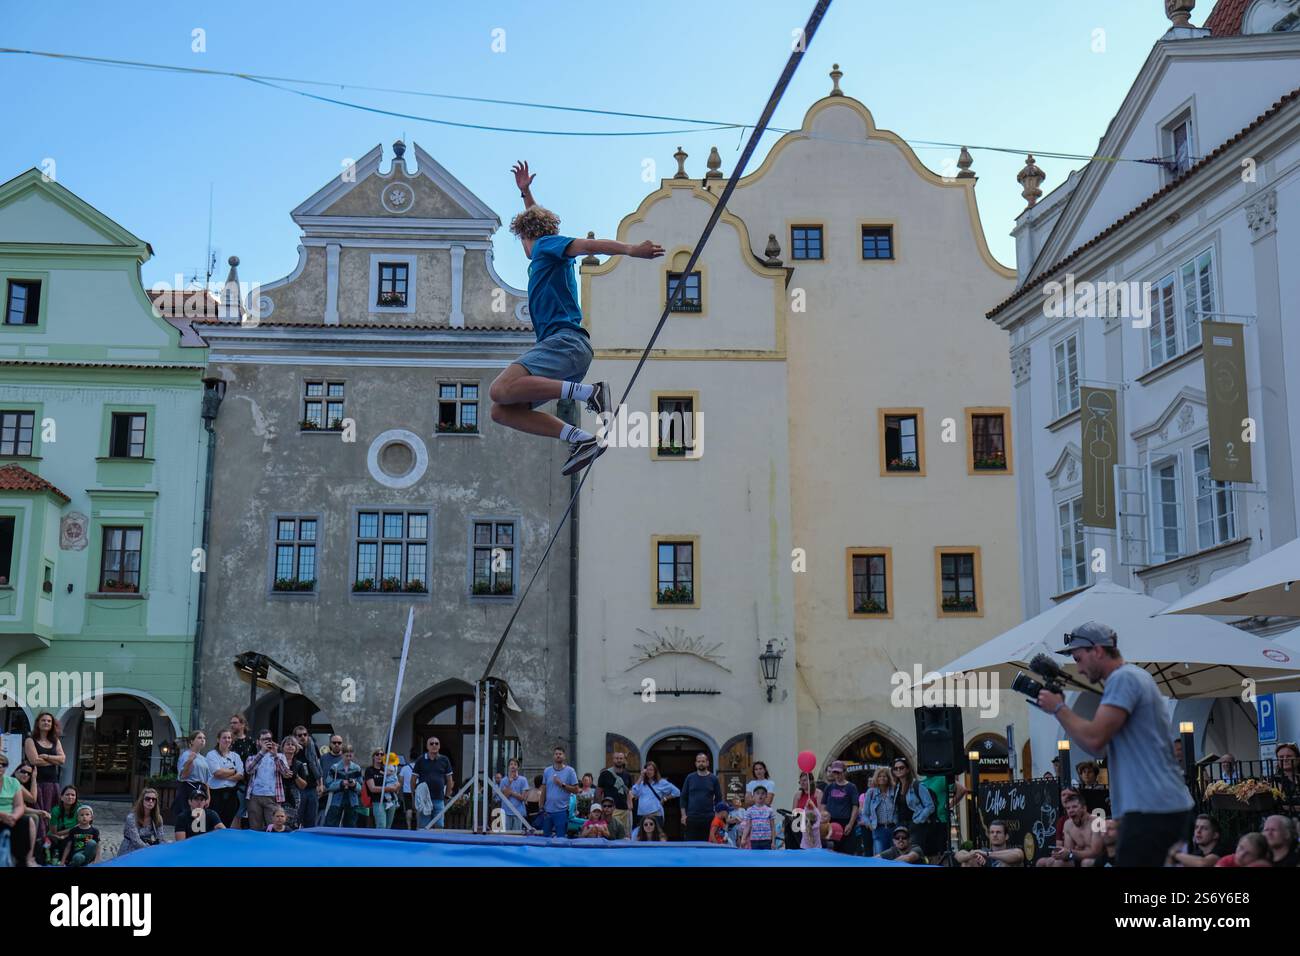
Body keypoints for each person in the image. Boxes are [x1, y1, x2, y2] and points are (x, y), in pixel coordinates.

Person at [491, 160, 664, 476]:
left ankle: (591, 393)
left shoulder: (545, 246)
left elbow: (588, 245)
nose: (523, 248)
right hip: (567, 352)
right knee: (502, 411)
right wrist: (526, 193)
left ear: (527, 238)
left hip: (565, 343)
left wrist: (631, 250)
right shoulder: (545, 250)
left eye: (522, 240)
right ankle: (582, 439)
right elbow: (536, 223)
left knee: (500, 390)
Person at [1037, 621, 1193, 867]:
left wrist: (1058, 708)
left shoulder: (1124, 679)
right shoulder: (1131, 678)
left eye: (1078, 659)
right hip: (1152, 807)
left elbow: (1095, 741)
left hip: (1152, 809)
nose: (1078, 669)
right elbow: (1101, 744)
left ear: (1097, 650)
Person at [24, 711, 64, 850]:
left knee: (53, 816)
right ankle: (37, 848)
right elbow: (34, 760)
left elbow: (63, 759)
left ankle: (51, 847)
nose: (46, 723)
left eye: (49, 721)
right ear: (38, 723)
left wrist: (46, 756)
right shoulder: (30, 740)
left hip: (53, 784)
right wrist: (54, 760)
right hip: (37, 784)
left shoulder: (55, 741)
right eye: (43, 720)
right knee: (39, 815)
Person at [1036, 790, 1102, 867]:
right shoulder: (1068, 824)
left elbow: (1096, 853)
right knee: (1042, 862)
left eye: (1074, 807)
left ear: (1084, 808)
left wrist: (1071, 853)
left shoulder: (1097, 822)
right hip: (1077, 858)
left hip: (1097, 859)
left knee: (1086, 863)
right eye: (1068, 808)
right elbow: (1068, 852)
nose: (1070, 811)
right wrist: (1060, 854)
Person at [244, 729, 290, 831]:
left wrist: (275, 755)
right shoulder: (252, 757)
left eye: (269, 739)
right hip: (255, 797)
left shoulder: (280, 756)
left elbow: (286, 773)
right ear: (258, 742)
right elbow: (249, 770)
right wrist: (262, 753)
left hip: (272, 796)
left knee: (273, 828)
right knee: (255, 828)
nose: (266, 741)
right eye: (263, 739)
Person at [0, 752, 36, 866]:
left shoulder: (13, 782)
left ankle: (26, 859)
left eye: (3, 764)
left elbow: (19, 806)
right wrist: (2, 816)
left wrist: (14, 817)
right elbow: (32, 799)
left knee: (28, 821)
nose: (0, 766)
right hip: (2, 816)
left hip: (10, 817)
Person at [411, 736, 455, 829]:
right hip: (424, 799)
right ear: (427, 746)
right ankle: (424, 843)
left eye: (436, 743)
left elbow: (449, 779)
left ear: (439, 746)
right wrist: (415, 795)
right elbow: (413, 779)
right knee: (425, 826)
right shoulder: (420, 760)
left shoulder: (445, 760)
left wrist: (447, 795)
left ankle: (437, 844)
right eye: (431, 743)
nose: (434, 745)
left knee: (440, 825)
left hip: (439, 798)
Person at [680, 752, 723, 842]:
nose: (701, 763)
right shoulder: (690, 778)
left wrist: (717, 816)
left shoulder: (713, 779)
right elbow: (683, 797)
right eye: (699, 761)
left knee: (708, 845)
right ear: (696, 763)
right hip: (691, 817)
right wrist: (683, 815)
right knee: (691, 845)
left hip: (709, 818)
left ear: (707, 763)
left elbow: (719, 799)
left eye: (703, 761)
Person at [206, 729, 244, 828]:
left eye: (229, 737)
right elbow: (217, 773)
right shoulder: (212, 755)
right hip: (216, 794)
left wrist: (226, 774)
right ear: (218, 739)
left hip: (232, 794)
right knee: (214, 824)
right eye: (224, 737)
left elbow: (241, 775)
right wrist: (233, 771)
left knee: (226, 824)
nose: (227, 740)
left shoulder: (235, 756)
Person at [821, 760, 861, 855]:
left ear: (844, 772)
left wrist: (850, 824)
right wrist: (824, 822)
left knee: (847, 852)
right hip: (831, 823)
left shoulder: (851, 787)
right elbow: (823, 805)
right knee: (831, 852)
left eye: (839, 772)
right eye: (835, 772)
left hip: (846, 823)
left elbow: (855, 807)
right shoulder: (829, 787)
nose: (837, 775)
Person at [173, 730, 211, 828]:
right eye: (199, 738)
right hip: (188, 789)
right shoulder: (186, 755)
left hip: (201, 791)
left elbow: (206, 781)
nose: (202, 740)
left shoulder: (203, 758)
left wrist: (208, 797)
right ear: (191, 741)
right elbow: (183, 776)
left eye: (204, 738)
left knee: (199, 823)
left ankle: (196, 842)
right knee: (187, 820)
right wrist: (190, 761)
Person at [541, 746, 580, 838]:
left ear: (564, 756)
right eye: (556, 754)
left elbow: (576, 790)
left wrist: (561, 784)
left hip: (561, 811)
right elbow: (544, 789)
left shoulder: (570, 771)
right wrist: (541, 806)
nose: (558, 756)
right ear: (553, 756)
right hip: (548, 811)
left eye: (560, 754)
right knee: (545, 837)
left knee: (561, 838)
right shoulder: (547, 771)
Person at [323, 744, 364, 828]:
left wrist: (354, 784)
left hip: (352, 800)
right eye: (346, 756)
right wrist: (341, 783)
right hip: (336, 800)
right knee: (331, 825)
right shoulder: (335, 768)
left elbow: (361, 787)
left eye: (350, 756)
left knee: (350, 826)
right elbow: (328, 785)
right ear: (342, 754)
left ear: (353, 755)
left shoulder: (357, 768)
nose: (348, 758)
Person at [630, 761, 678, 832]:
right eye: (647, 770)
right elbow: (633, 792)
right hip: (642, 816)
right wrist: (641, 777)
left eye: (651, 770)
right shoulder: (641, 784)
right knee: (642, 839)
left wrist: (665, 798)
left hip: (656, 815)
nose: (649, 772)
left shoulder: (661, 782)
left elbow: (677, 792)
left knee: (656, 838)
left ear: (655, 771)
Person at [954, 820, 1025, 867]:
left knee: (1006, 864)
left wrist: (987, 854)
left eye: (998, 832)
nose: (994, 835)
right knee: (967, 862)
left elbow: (1019, 855)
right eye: (992, 832)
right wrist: (972, 854)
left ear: (1006, 836)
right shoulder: (983, 852)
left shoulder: (1011, 851)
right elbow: (958, 855)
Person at [119, 787, 166, 857]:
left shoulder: (158, 818)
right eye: (147, 799)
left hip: (146, 850)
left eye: (153, 799)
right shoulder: (131, 818)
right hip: (129, 850)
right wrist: (149, 850)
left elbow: (161, 838)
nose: (150, 801)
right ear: (142, 800)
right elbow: (135, 841)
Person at [228, 714, 256, 829]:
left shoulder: (250, 742)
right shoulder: (229, 740)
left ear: (242, 724)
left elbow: (254, 761)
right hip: (229, 781)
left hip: (245, 783)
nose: (232, 725)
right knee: (232, 811)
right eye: (231, 723)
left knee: (241, 811)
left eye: (234, 723)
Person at [596, 752, 634, 837]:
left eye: (621, 758)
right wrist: (600, 807)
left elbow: (628, 792)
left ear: (624, 760)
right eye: (617, 758)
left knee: (624, 835)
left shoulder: (627, 775)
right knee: (611, 834)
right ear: (613, 759)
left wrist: (629, 805)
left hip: (624, 809)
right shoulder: (605, 774)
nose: (619, 760)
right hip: (610, 809)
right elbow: (599, 792)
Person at [861, 767, 896, 856]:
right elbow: (864, 814)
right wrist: (870, 825)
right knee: (879, 857)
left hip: (894, 828)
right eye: (879, 776)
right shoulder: (871, 792)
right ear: (876, 778)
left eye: (885, 776)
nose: (882, 778)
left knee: (895, 857)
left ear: (889, 778)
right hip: (878, 829)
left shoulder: (894, 791)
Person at [292, 725, 323, 828]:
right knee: (297, 818)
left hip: (312, 788)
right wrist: (296, 749)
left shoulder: (312, 747)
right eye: (299, 735)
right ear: (295, 737)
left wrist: (321, 784)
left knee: (311, 819)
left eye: (305, 734)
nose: (303, 737)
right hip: (298, 789)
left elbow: (318, 765)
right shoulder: (292, 749)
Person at [46, 784, 84, 864]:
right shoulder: (56, 810)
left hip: (70, 837)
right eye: (67, 794)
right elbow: (54, 832)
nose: (70, 797)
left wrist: (66, 835)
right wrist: (73, 829)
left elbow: (82, 826)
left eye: (73, 795)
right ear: (61, 797)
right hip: (55, 837)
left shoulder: (80, 808)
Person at [365, 750, 400, 830]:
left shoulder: (387, 768)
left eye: (382, 754)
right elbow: (372, 788)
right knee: (381, 826)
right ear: (373, 756)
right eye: (377, 754)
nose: (380, 756)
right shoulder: (370, 770)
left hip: (391, 801)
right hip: (378, 801)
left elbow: (396, 781)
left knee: (388, 827)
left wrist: (398, 785)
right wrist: (389, 789)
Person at [280, 736, 309, 828]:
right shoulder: (277, 761)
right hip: (278, 793)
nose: (290, 746)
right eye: (287, 744)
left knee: (291, 821)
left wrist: (295, 776)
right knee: (278, 820)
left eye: (293, 745)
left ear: (296, 748)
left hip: (293, 795)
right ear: (282, 747)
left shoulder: (299, 764)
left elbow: (303, 785)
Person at [741, 785, 777, 850]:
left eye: (763, 793)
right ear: (753, 796)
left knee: (766, 859)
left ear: (766, 796)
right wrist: (743, 838)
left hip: (767, 840)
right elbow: (747, 826)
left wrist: (773, 842)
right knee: (755, 858)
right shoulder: (750, 810)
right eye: (757, 793)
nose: (760, 795)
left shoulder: (770, 810)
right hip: (754, 840)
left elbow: (773, 827)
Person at [1270, 742, 1300, 816]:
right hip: (1285, 821)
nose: (1285, 759)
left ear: (1298, 759)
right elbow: (1282, 805)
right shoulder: (1275, 781)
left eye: (1289, 756)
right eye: (1281, 757)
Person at [501, 758, 530, 832]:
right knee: (506, 835)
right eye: (511, 764)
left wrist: (512, 793)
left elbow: (523, 798)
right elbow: (504, 797)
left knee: (517, 835)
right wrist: (509, 783)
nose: (513, 766)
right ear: (508, 767)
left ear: (518, 767)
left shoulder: (523, 780)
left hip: (518, 812)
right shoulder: (504, 780)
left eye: (515, 764)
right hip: (506, 812)